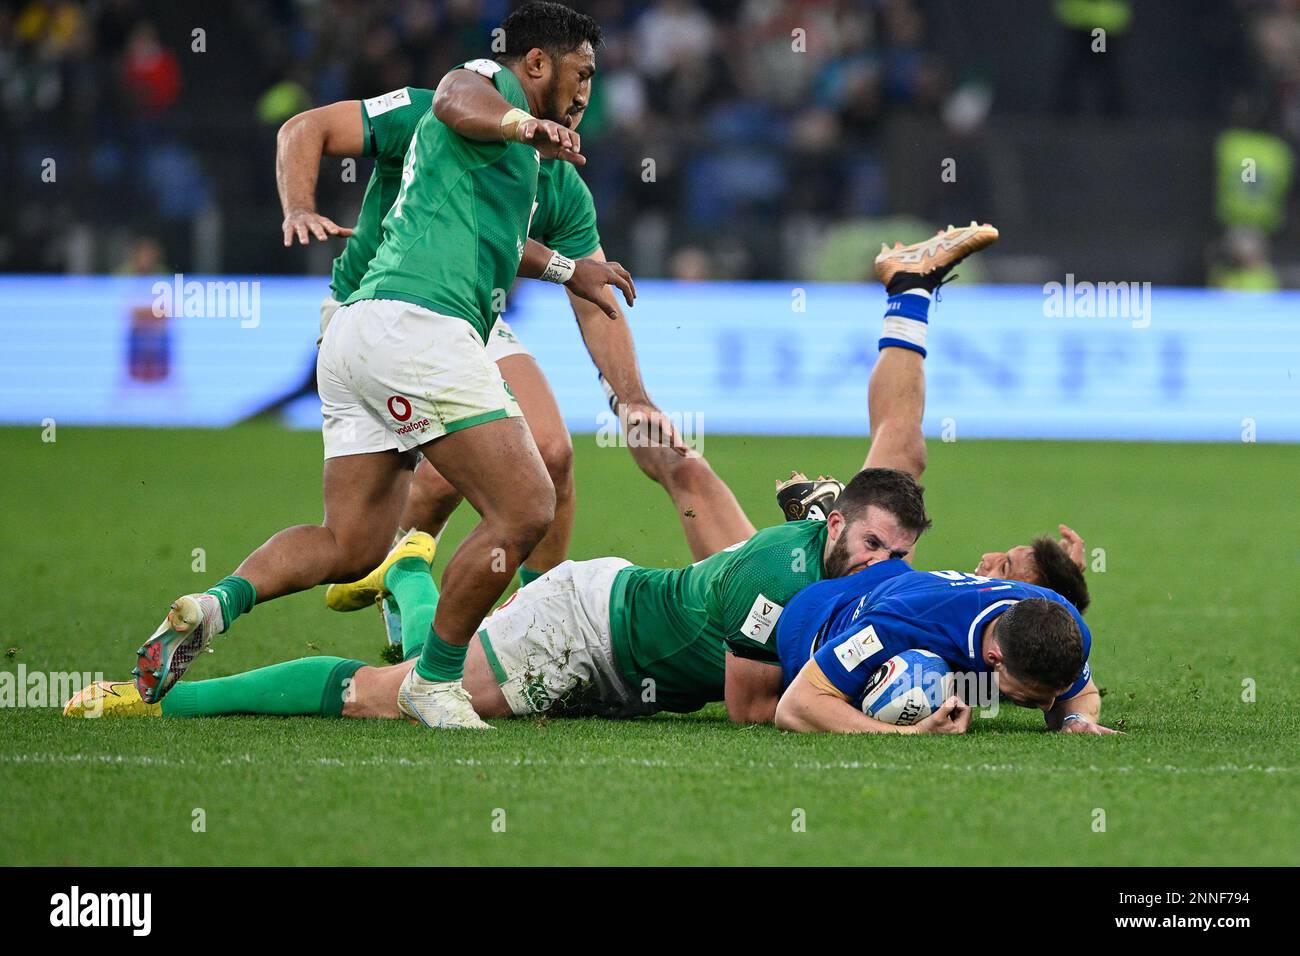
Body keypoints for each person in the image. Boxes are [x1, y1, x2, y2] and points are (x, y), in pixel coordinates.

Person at [131, 2, 626, 731]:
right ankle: (434, 676)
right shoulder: (484, 91)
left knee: (351, 543)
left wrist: (564, 267)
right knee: (525, 504)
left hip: (360, 331)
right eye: (581, 74)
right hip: (419, 325)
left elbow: (498, 234)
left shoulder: (523, 165)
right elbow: (457, 93)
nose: (588, 93)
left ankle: (214, 605)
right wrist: (520, 123)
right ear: (537, 65)